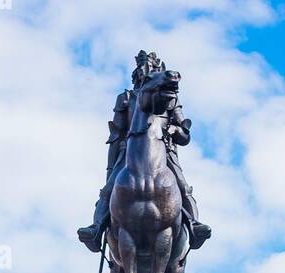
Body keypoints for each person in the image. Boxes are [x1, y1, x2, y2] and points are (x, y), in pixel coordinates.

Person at [78, 49, 211, 253]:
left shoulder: (169, 97)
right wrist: (111, 168)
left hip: (163, 152)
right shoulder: (126, 98)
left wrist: (173, 128)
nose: (144, 71)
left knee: (183, 186)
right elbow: (115, 135)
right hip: (129, 153)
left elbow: (185, 135)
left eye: (149, 67)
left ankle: (194, 224)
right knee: (108, 190)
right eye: (142, 68)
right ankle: (96, 229)